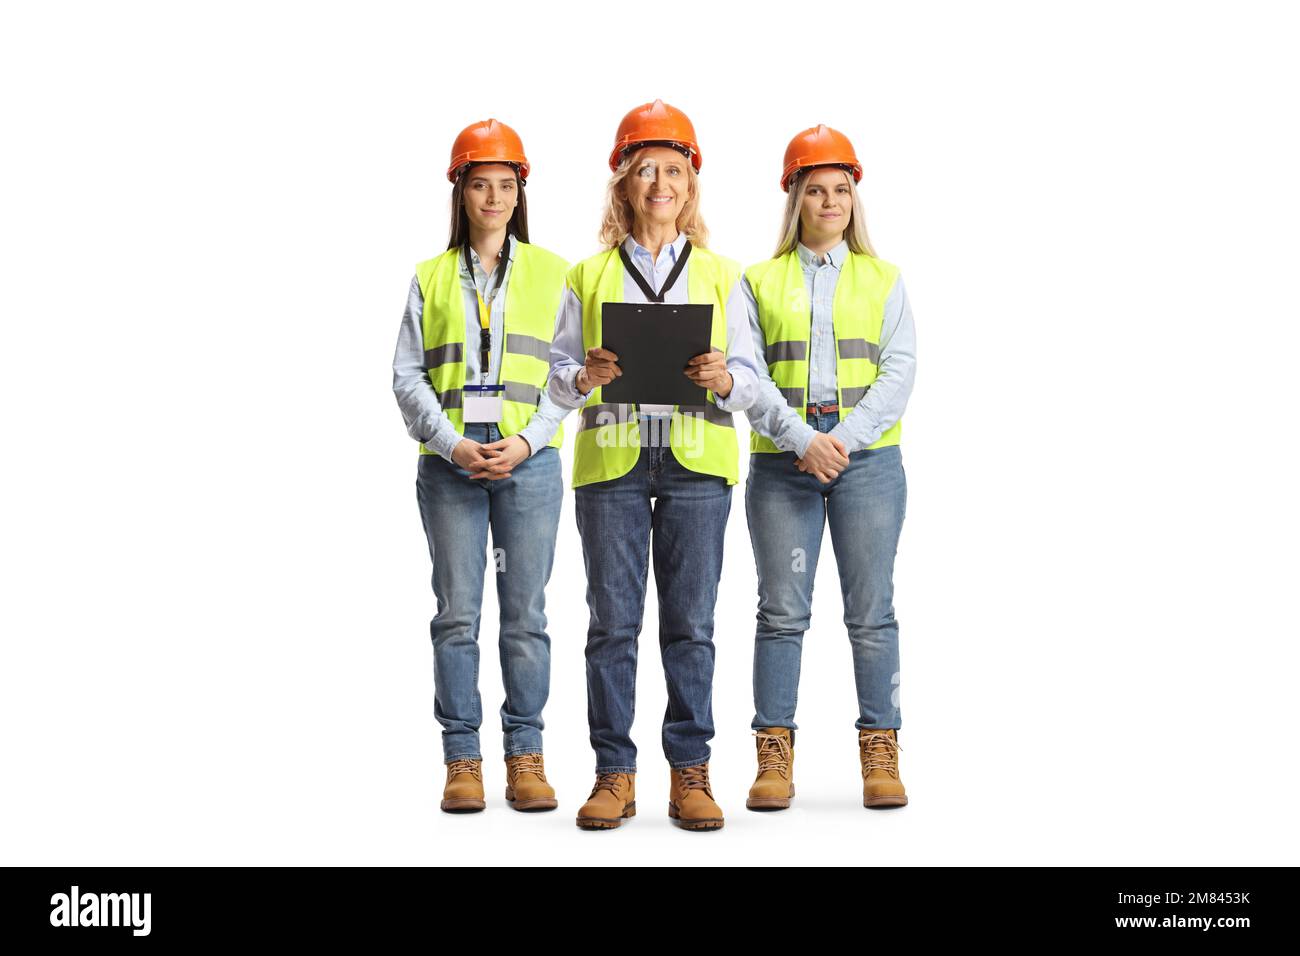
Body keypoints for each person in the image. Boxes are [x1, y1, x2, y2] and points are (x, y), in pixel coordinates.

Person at [547, 100, 763, 831]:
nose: (661, 183)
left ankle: (691, 772)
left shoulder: (726, 275)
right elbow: (553, 376)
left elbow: (753, 378)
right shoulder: (586, 274)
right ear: (624, 184)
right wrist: (584, 376)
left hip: (697, 464)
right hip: (612, 465)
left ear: (690, 185)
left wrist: (724, 379)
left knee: (691, 624)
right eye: (647, 170)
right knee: (611, 624)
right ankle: (613, 775)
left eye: (673, 170)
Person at [392, 119, 570, 814]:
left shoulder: (556, 274)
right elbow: (407, 379)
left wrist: (526, 442)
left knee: (524, 615)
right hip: (451, 469)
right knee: (457, 615)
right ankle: (461, 761)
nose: (492, 197)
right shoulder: (430, 278)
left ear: (519, 193)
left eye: (504, 185)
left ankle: (526, 757)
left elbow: (571, 377)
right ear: (460, 192)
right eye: (479, 184)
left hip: (529, 465)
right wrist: (451, 443)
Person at [741, 125, 917, 810]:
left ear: (854, 197)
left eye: (840, 189)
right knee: (781, 613)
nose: (830, 200)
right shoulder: (757, 281)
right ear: (795, 199)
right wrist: (800, 442)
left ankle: (881, 751)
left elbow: (898, 373)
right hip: (783, 469)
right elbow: (747, 377)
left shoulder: (884, 279)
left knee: (871, 614)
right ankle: (773, 760)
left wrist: (836, 441)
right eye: (815, 189)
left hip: (868, 467)